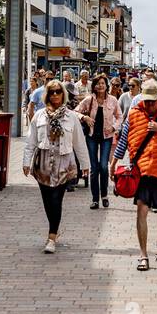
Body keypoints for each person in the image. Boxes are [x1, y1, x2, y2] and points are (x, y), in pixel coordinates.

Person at [110, 78, 157, 271]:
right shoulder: (134, 114)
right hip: (141, 170)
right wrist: (113, 164)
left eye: (153, 101)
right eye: (147, 100)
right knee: (141, 210)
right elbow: (124, 141)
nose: (150, 105)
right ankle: (143, 255)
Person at [23, 80, 89, 254]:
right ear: (47, 95)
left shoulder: (71, 116)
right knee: (47, 201)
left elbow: (79, 143)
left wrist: (85, 165)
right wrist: (25, 162)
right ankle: (54, 229)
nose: (55, 95)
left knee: (56, 200)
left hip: (64, 163)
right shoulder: (39, 115)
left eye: (58, 92)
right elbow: (31, 141)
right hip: (43, 163)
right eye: (51, 92)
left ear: (63, 94)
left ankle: (51, 236)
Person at [76, 74, 122, 210]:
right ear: (94, 86)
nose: (100, 86)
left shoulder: (113, 100)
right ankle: (95, 199)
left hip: (107, 136)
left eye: (103, 83)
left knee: (103, 166)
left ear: (106, 85)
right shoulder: (89, 100)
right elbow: (75, 112)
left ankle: (104, 196)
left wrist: (114, 127)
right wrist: (84, 117)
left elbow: (120, 117)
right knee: (94, 168)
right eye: (98, 84)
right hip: (92, 137)